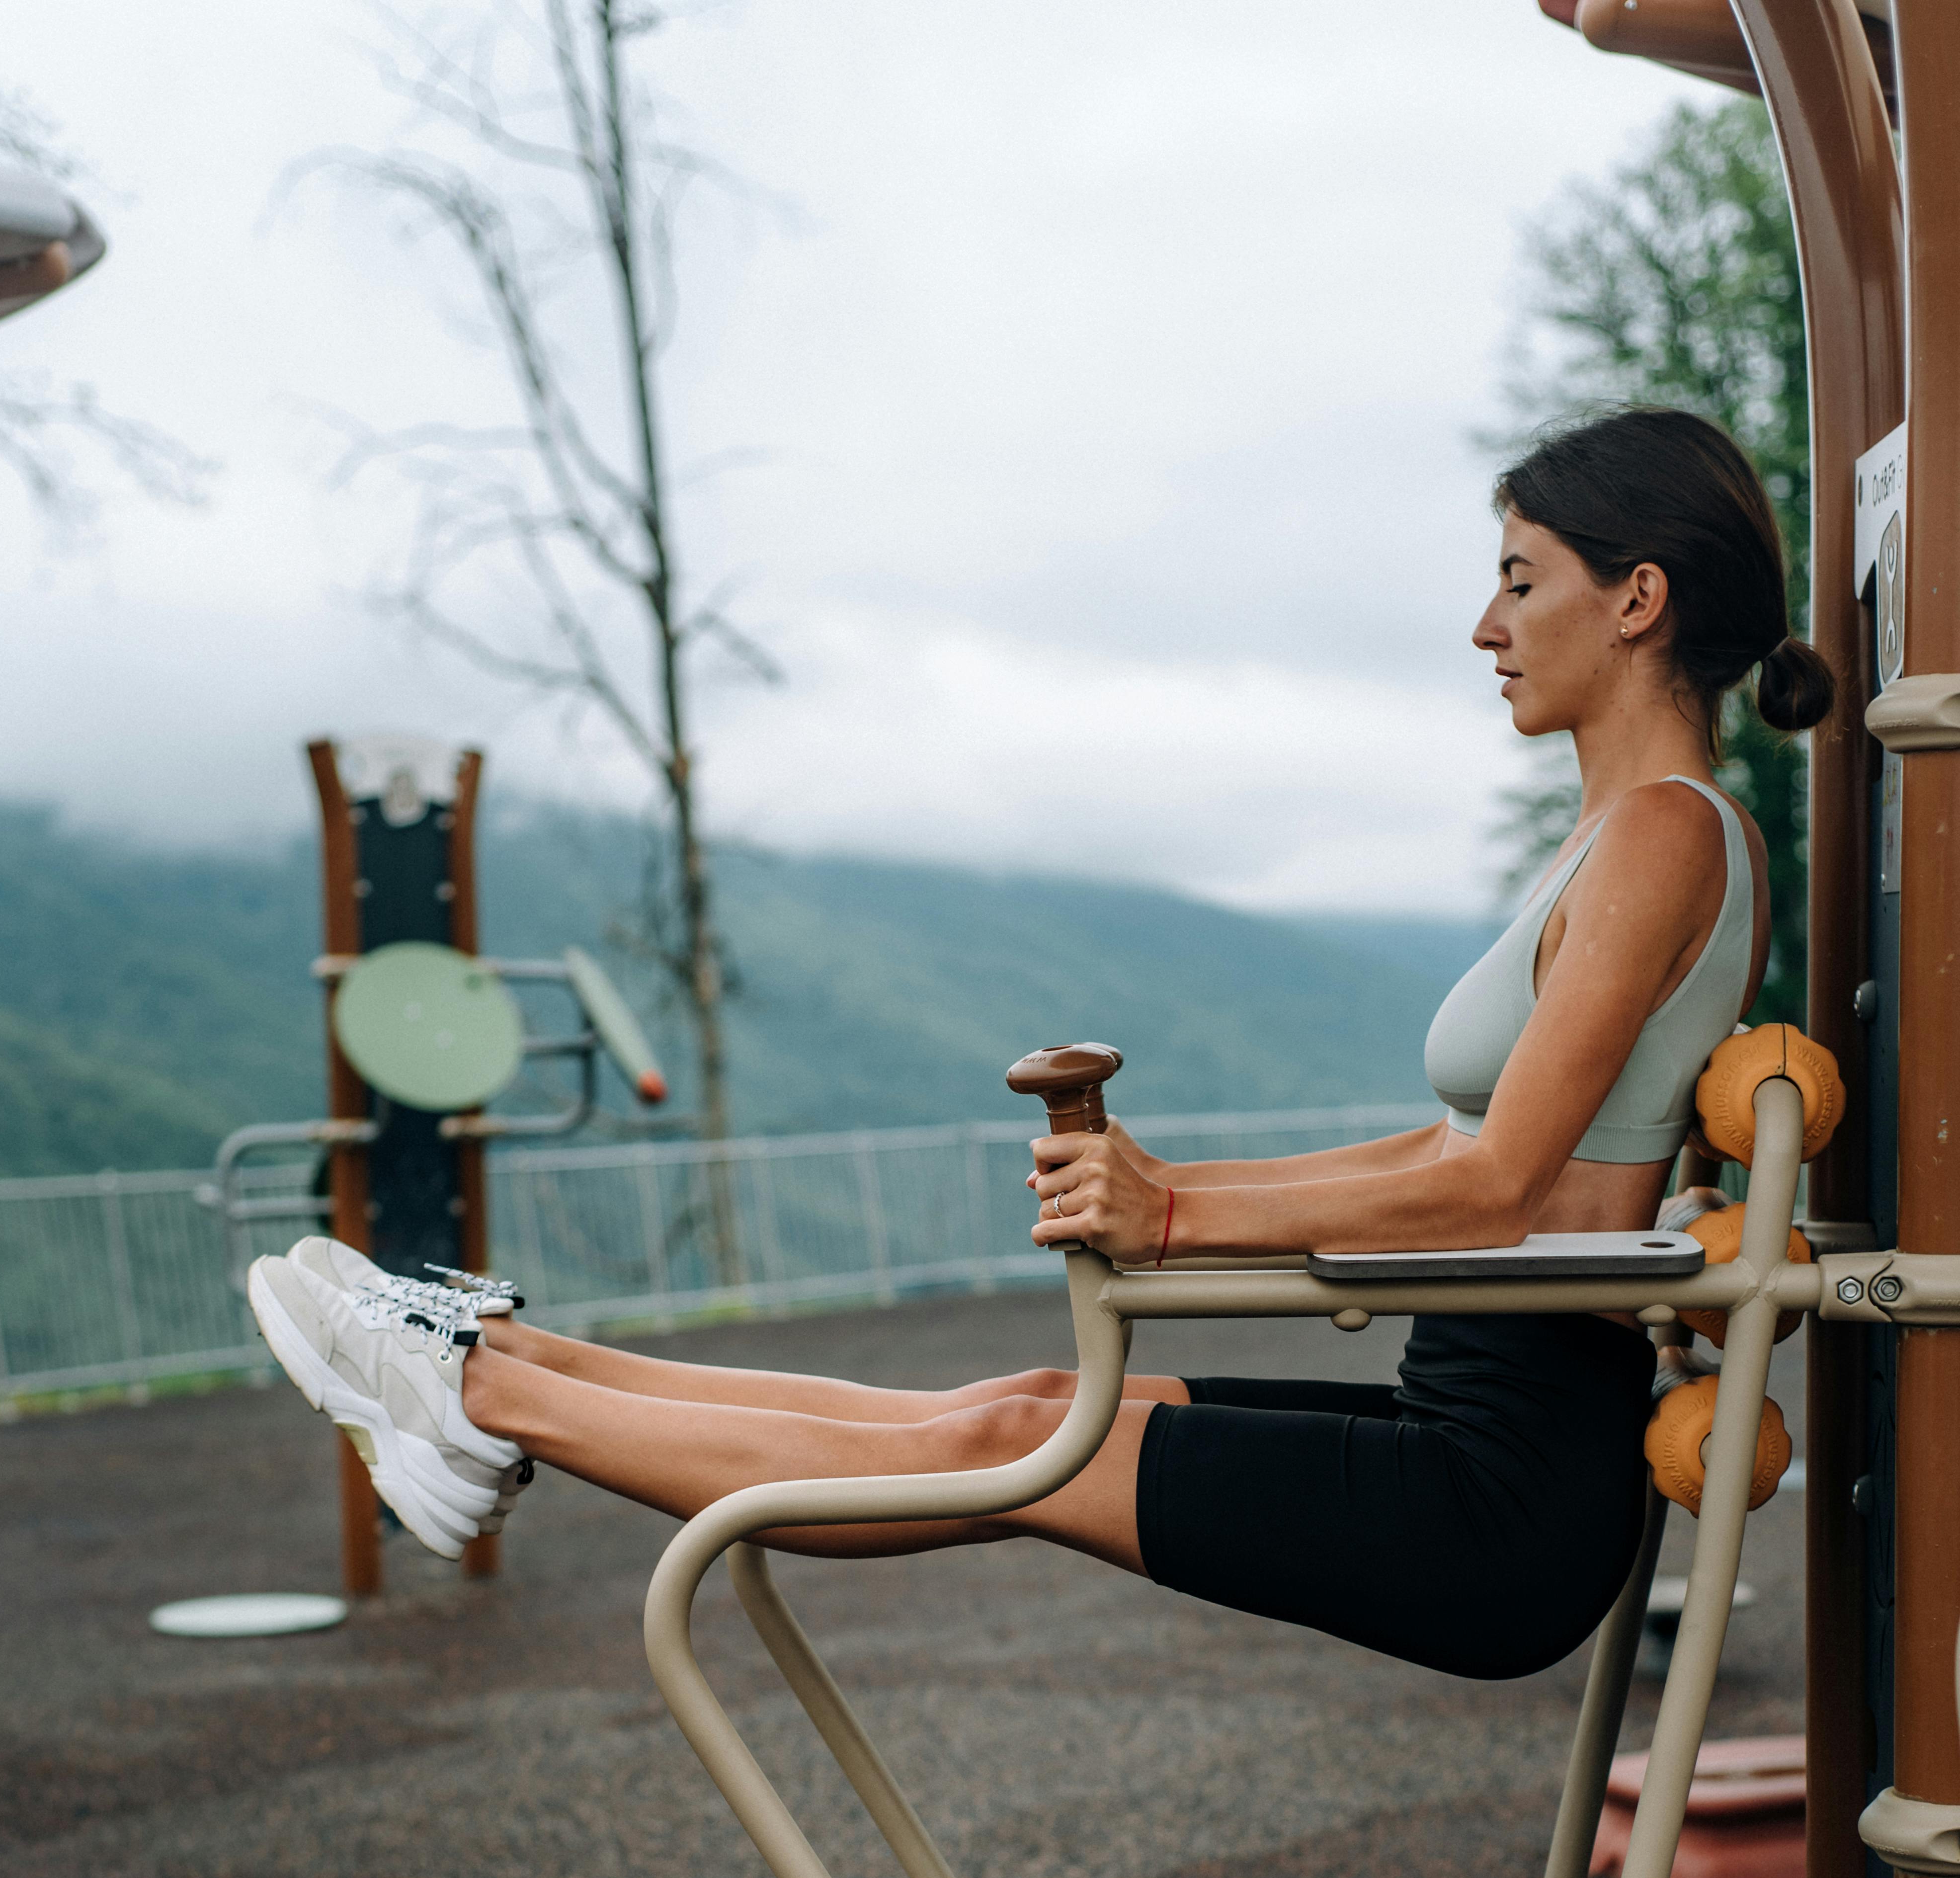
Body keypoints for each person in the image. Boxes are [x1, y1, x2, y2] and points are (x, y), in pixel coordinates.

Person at [248, 407, 1832, 1682]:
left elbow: (1495, 1187)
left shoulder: (1664, 841)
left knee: (1013, 1444)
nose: (1484, 623)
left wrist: (1175, 1221)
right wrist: (1172, 1191)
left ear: (1638, 599)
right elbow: (1449, 1152)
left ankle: (480, 1405)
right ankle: (503, 1359)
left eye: (1521, 577)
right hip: (1472, 1407)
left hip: (1503, 1488)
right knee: (1015, 1400)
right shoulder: (1639, 838)